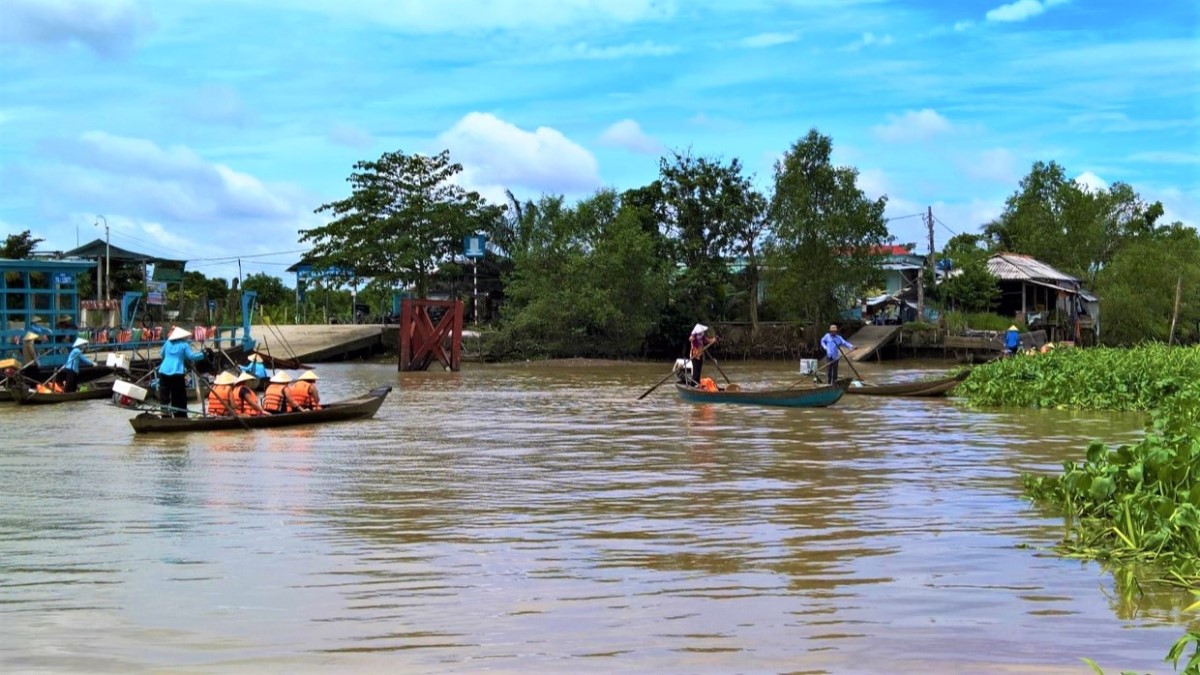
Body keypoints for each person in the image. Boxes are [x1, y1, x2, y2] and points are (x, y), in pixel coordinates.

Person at [158, 326, 207, 418]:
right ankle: (180, 416)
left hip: (163, 372)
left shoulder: (167, 343)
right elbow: (191, 356)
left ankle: (165, 416)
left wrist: (167, 362)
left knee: (164, 396)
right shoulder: (184, 345)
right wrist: (203, 355)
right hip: (177, 373)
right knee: (179, 397)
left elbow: (162, 354)